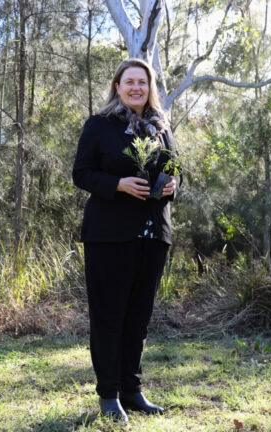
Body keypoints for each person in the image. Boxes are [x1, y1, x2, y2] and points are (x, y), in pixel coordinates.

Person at [72, 58, 180, 422]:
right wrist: (116, 184)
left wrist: (172, 185)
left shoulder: (162, 127)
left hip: (153, 236)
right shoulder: (100, 125)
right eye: (129, 81)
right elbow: (81, 173)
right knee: (109, 316)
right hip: (108, 236)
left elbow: (176, 168)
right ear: (117, 86)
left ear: (150, 88)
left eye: (142, 82)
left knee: (138, 317)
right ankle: (108, 396)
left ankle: (132, 391)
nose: (136, 88)